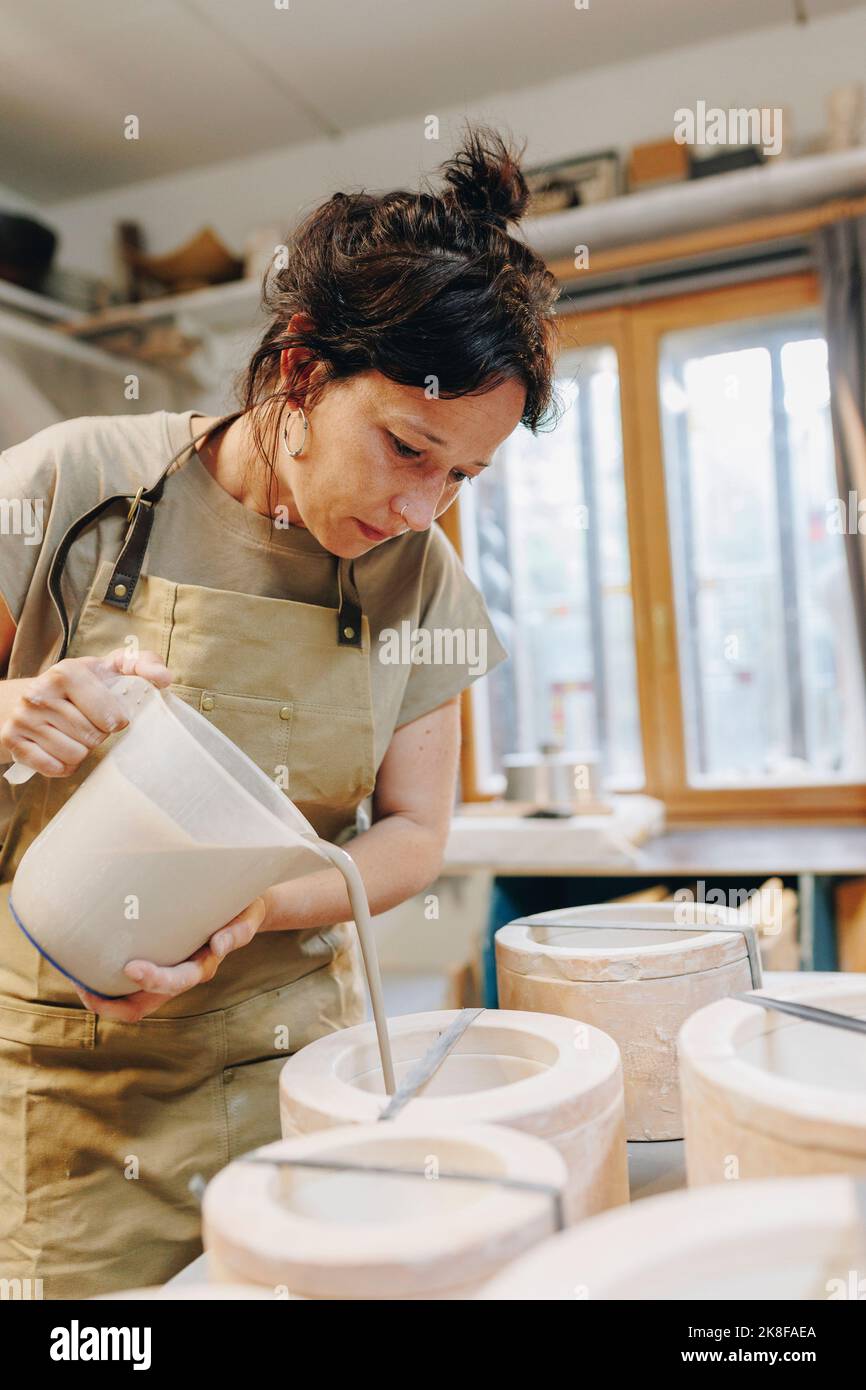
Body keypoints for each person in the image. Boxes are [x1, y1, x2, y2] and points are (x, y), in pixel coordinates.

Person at [0, 124, 561, 1297]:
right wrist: (13, 710)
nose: (421, 510)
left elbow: (413, 833)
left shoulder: (422, 582)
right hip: (71, 1092)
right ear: (301, 369)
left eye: (460, 476)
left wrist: (252, 908)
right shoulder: (76, 485)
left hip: (295, 1077)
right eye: (406, 448)